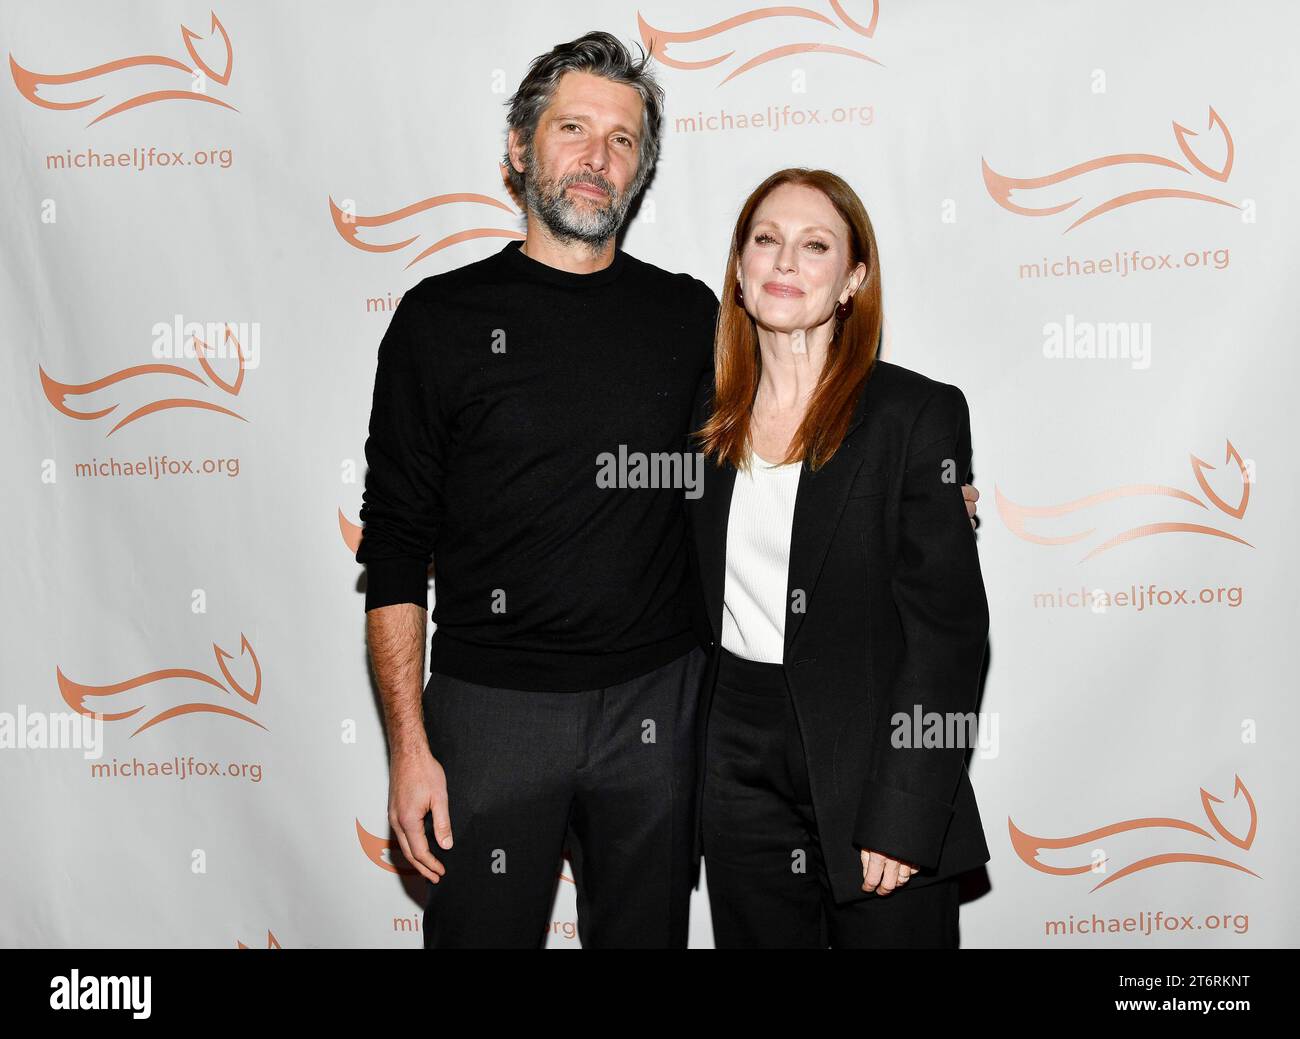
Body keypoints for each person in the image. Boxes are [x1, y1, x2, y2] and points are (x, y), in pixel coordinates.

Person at [356, 31, 982, 948]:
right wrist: (409, 747)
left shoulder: (691, 320)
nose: (595, 157)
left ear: (641, 170)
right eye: (573, 128)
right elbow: (397, 543)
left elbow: (824, 457)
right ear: (520, 150)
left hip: (663, 713)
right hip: (493, 714)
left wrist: (930, 492)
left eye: (622, 140)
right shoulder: (439, 321)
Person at [687, 168, 991, 948]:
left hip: (872, 750)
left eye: (815, 245)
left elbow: (949, 640)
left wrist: (908, 809)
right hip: (733, 758)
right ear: (740, 269)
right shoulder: (698, 417)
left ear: (853, 278)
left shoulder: (914, 417)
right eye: (766, 240)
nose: (785, 262)